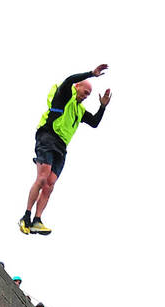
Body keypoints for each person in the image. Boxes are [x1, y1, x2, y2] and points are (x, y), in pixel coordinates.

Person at [20, 64, 112, 235]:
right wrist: (91, 74)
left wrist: (103, 107)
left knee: (50, 184)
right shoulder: (64, 95)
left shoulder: (79, 109)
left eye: (89, 95)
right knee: (42, 178)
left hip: (61, 147)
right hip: (47, 136)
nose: (86, 96)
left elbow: (94, 123)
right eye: (85, 92)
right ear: (77, 87)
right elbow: (69, 80)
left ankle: (37, 220)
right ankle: (25, 216)